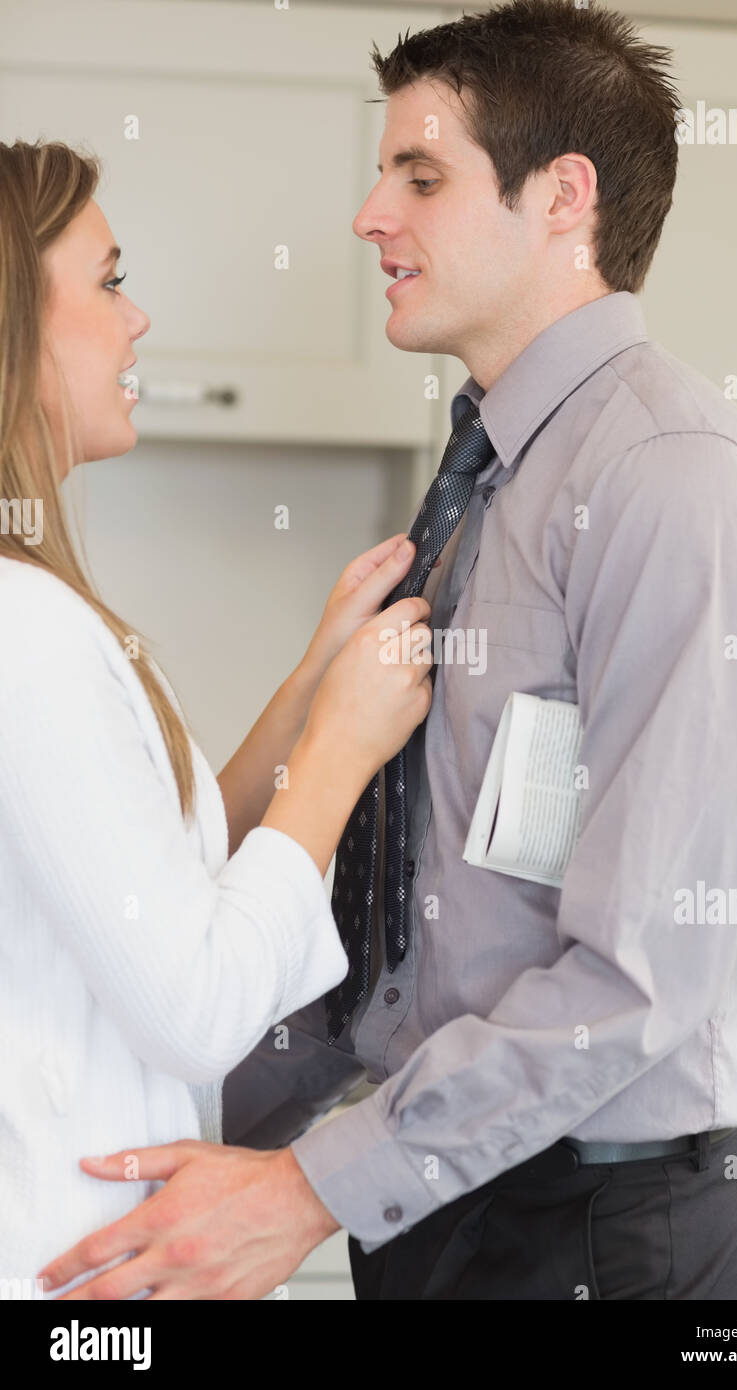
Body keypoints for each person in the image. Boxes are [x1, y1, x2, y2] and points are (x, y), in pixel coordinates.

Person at [40, 0, 737, 1302]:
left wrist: (306, 1184)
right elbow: (395, 927)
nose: (367, 215)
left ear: (562, 197)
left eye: (419, 175)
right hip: (440, 1199)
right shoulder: (482, 479)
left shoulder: (676, 482)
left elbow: (641, 974)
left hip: (597, 1227)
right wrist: (193, 1126)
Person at [0, 137, 433, 1294]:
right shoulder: (21, 628)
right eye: (106, 282)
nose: (136, 320)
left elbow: (163, 866)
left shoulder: (38, 607)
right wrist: (340, 750)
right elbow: (197, 1011)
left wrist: (308, 689)